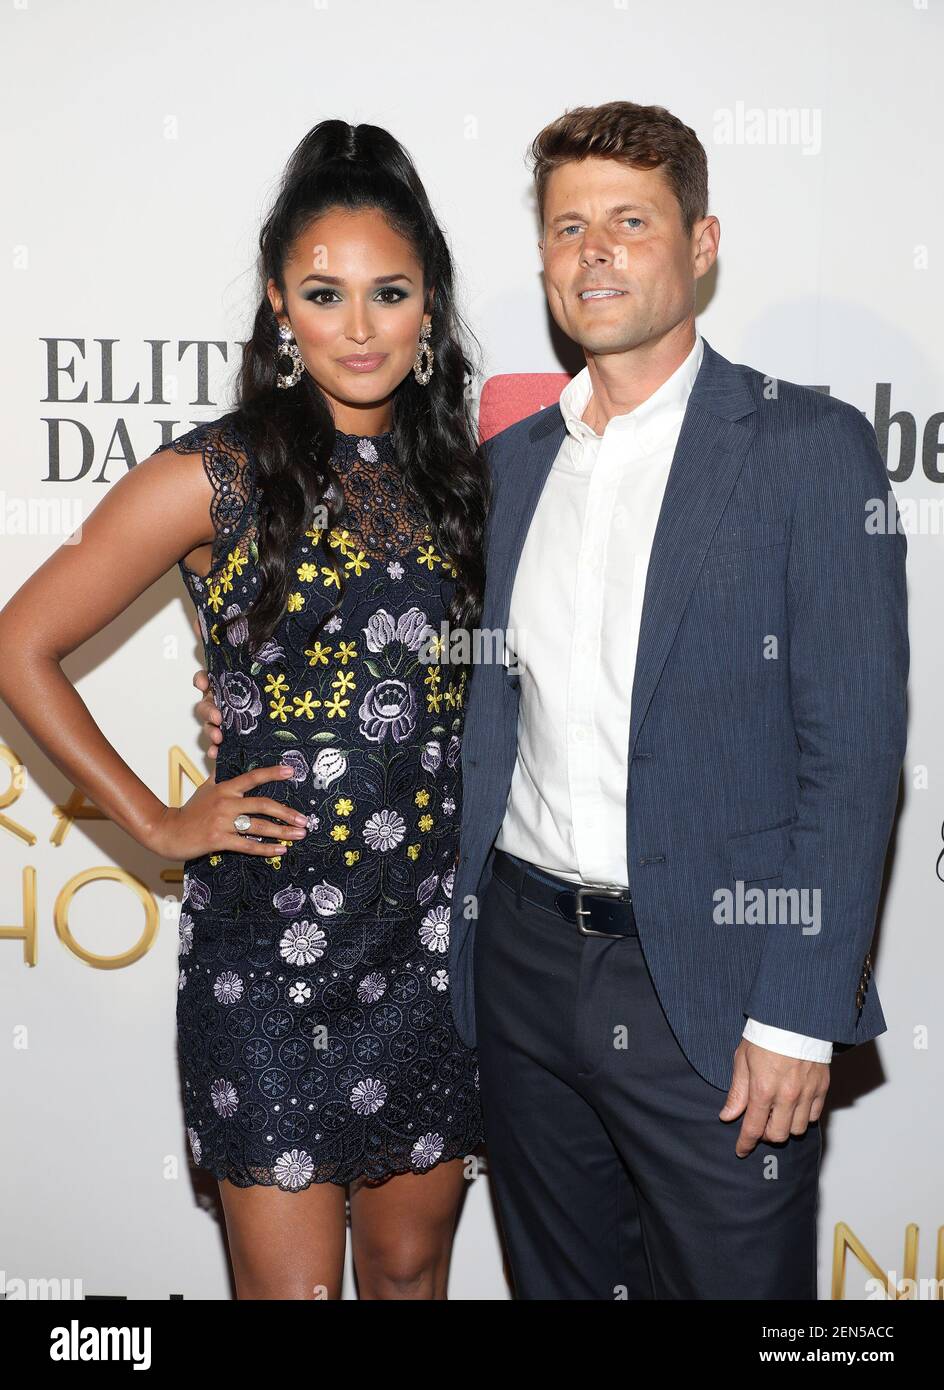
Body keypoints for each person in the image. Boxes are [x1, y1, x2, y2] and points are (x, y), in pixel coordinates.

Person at [194, 101, 909, 1300]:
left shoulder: (806, 448)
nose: (595, 251)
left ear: (702, 242)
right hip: (515, 971)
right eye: (568, 225)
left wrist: (798, 1012)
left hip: (718, 986)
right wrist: (252, 714)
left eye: (630, 221)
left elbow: (851, 755)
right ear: (539, 259)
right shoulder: (504, 470)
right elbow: (423, 677)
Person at [0, 119, 489, 1300]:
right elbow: (22, 643)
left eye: (389, 292)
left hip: (434, 945)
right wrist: (159, 823)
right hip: (268, 959)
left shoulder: (469, 480)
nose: (360, 327)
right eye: (325, 293)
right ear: (279, 303)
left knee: (412, 1270)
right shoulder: (215, 474)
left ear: (429, 304)